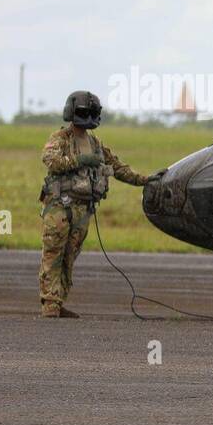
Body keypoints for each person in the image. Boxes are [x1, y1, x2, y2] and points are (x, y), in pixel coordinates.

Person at [38, 91, 150, 318]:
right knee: (53, 254)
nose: (87, 117)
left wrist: (146, 180)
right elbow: (50, 160)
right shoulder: (60, 138)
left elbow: (118, 168)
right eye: (83, 112)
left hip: (83, 210)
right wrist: (81, 160)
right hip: (60, 207)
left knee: (69, 256)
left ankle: (58, 302)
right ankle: (50, 305)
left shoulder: (95, 143)